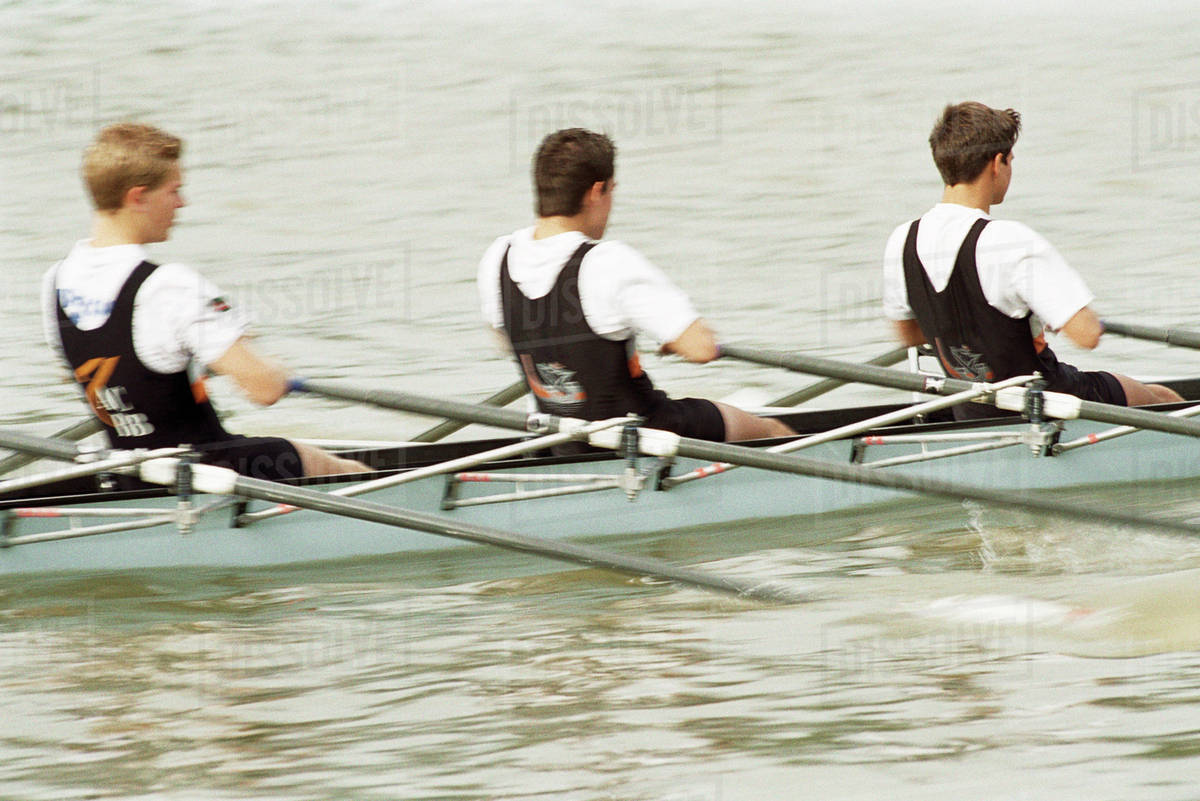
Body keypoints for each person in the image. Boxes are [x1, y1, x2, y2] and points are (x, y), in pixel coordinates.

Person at [42, 122, 367, 479]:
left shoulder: (56, 281)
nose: (182, 203)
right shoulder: (169, 285)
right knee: (329, 463)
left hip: (125, 475)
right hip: (206, 472)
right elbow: (265, 390)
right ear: (138, 197)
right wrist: (274, 369)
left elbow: (96, 374)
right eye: (174, 191)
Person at [477, 127, 794, 448]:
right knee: (772, 431)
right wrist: (674, 337)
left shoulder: (497, 259)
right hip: (646, 437)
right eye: (613, 191)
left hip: (557, 444)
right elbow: (701, 348)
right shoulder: (607, 262)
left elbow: (509, 342)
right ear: (596, 192)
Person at [882, 101, 1181, 419]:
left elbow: (910, 334)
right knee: (1160, 398)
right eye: (1011, 160)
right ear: (997, 163)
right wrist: (1046, 313)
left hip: (970, 411)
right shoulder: (1009, 241)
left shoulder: (902, 241)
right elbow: (1087, 334)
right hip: (1046, 404)